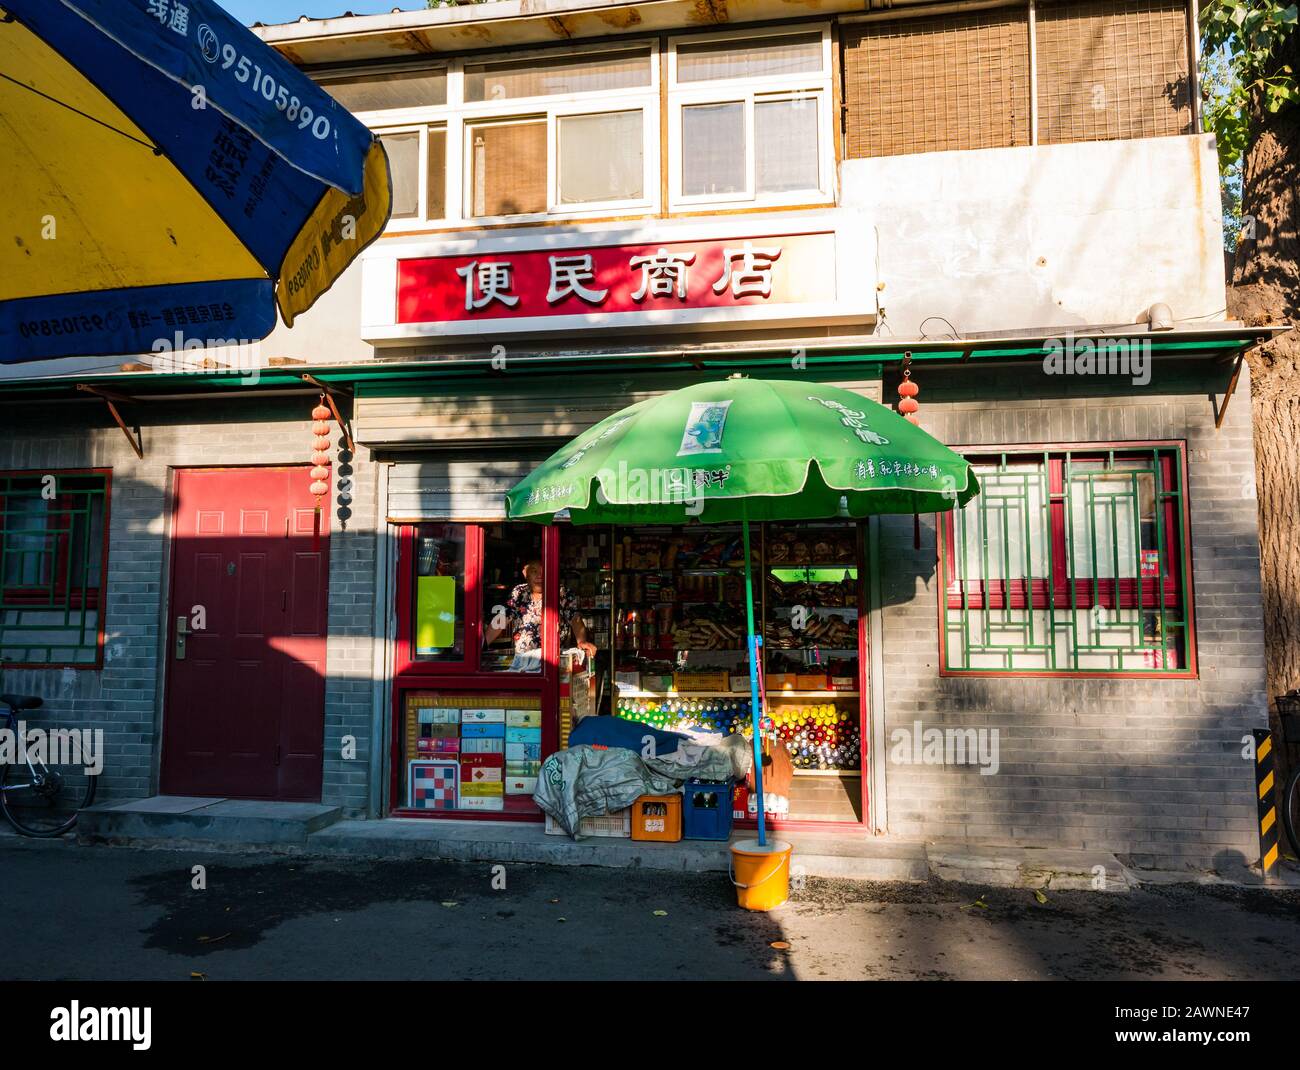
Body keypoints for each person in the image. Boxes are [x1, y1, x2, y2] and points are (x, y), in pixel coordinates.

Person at [483, 558, 597, 673]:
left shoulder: (562, 592)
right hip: (522, 662)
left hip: (551, 662)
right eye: (534, 571)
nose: (539, 576)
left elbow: (575, 619)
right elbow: (502, 618)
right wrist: (482, 644)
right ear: (525, 573)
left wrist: (581, 641)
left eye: (544, 572)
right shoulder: (519, 592)